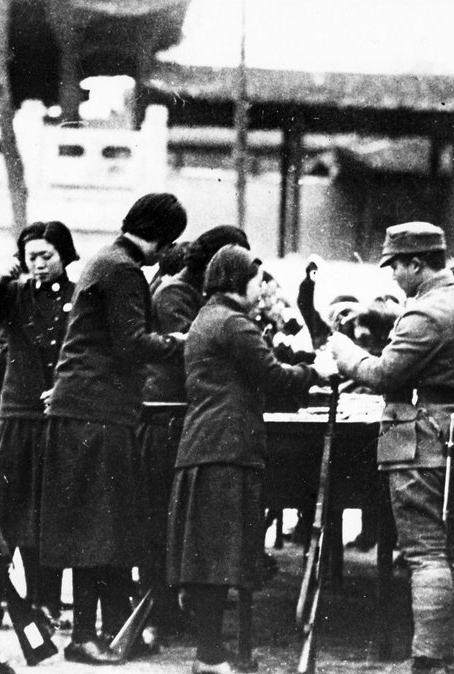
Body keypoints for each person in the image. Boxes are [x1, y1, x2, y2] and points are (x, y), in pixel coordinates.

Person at [167, 245, 337, 674]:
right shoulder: (234, 322)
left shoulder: (209, 316)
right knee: (220, 558)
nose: (262, 288)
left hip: (207, 444)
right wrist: (318, 372)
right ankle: (210, 656)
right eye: (257, 279)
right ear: (237, 280)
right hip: (227, 448)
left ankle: (213, 653)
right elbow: (273, 378)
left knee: (211, 556)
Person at [42, 192, 187, 663]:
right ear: (161, 237)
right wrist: (181, 342)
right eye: (169, 243)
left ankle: (99, 631)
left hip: (89, 409)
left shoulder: (108, 259)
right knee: (96, 527)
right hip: (96, 411)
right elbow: (130, 343)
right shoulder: (124, 269)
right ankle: (84, 636)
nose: (167, 254)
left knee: (98, 525)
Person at [329, 222, 454, 674]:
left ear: (416, 262)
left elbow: (385, 375)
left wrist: (344, 353)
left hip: (417, 440)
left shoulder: (425, 312)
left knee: (425, 553)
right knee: (450, 551)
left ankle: (428, 662)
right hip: (448, 434)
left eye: (395, 265)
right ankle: (446, 654)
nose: (393, 275)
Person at [138, 225, 250, 641]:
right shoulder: (174, 295)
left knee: (177, 525)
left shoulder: (193, 297)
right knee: (161, 525)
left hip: (184, 418)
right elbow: (194, 355)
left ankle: (171, 612)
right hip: (165, 420)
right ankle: (157, 616)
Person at [0, 221, 79, 628]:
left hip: (56, 418)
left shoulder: (77, 297)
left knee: (47, 512)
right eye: (30, 256)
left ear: (65, 255)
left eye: (46, 256)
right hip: (15, 416)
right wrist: (9, 274)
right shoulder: (12, 295)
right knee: (4, 511)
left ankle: (45, 602)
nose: (38, 264)